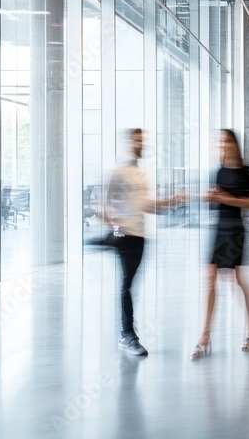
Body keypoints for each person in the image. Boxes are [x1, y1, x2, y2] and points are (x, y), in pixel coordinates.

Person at [102, 128, 187, 356]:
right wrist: (113, 227)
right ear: (129, 142)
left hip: (140, 237)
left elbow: (148, 206)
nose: (142, 143)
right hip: (125, 236)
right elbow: (103, 204)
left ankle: (126, 334)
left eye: (143, 139)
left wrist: (172, 200)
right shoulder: (119, 172)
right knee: (127, 286)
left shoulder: (141, 175)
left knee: (130, 286)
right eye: (137, 139)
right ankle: (127, 335)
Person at [191, 129, 249, 358]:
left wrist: (224, 198)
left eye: (225, 140)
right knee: (209, 278)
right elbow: (218, 201)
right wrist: (210, 197)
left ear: (233, 144)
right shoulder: (219, 172)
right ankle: (204, 335)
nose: (222, 144)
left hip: (236, 230)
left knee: (236, 280)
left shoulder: (245, 172)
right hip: (219, 229)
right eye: (219, 141)